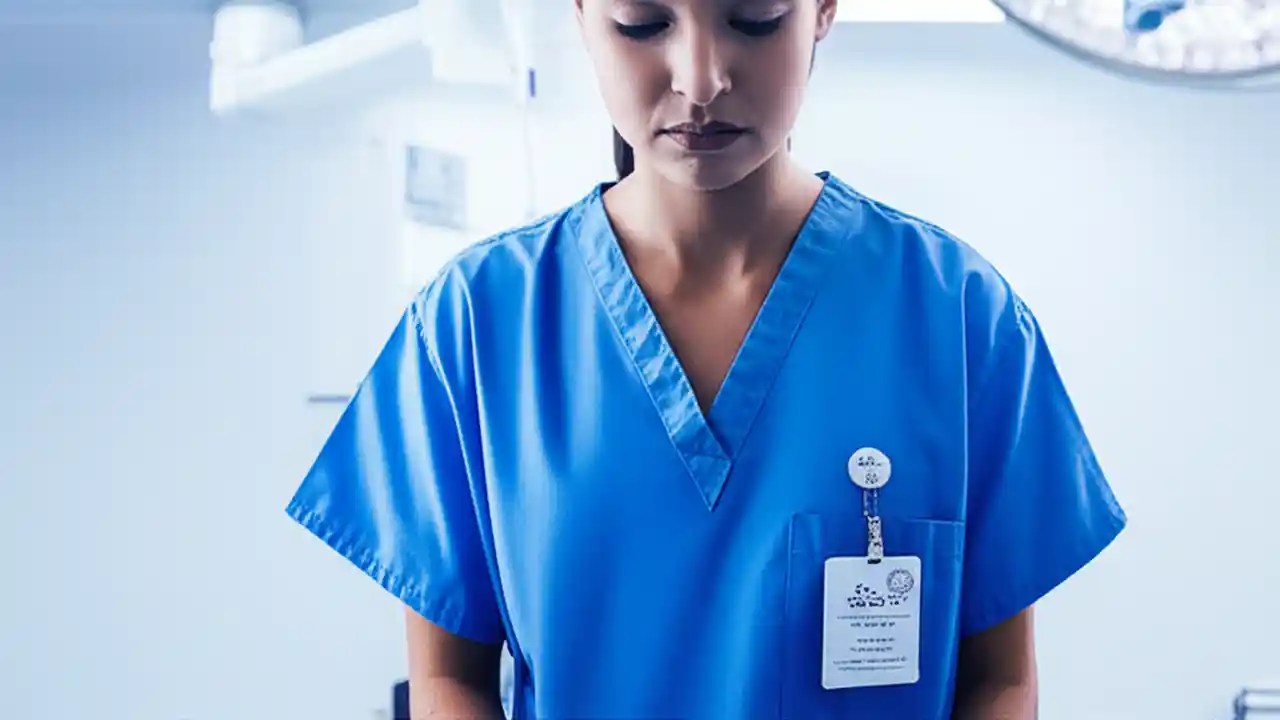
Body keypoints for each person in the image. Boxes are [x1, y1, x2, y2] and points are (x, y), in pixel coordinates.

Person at [284, 0, 1128, 717]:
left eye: (754, 20)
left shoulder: (957, 320)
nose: (700, 76)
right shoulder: (475, 327)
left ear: (825, 8)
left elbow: (1000, 680)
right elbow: (446, 681)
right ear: (580, 15)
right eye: (642, 22)